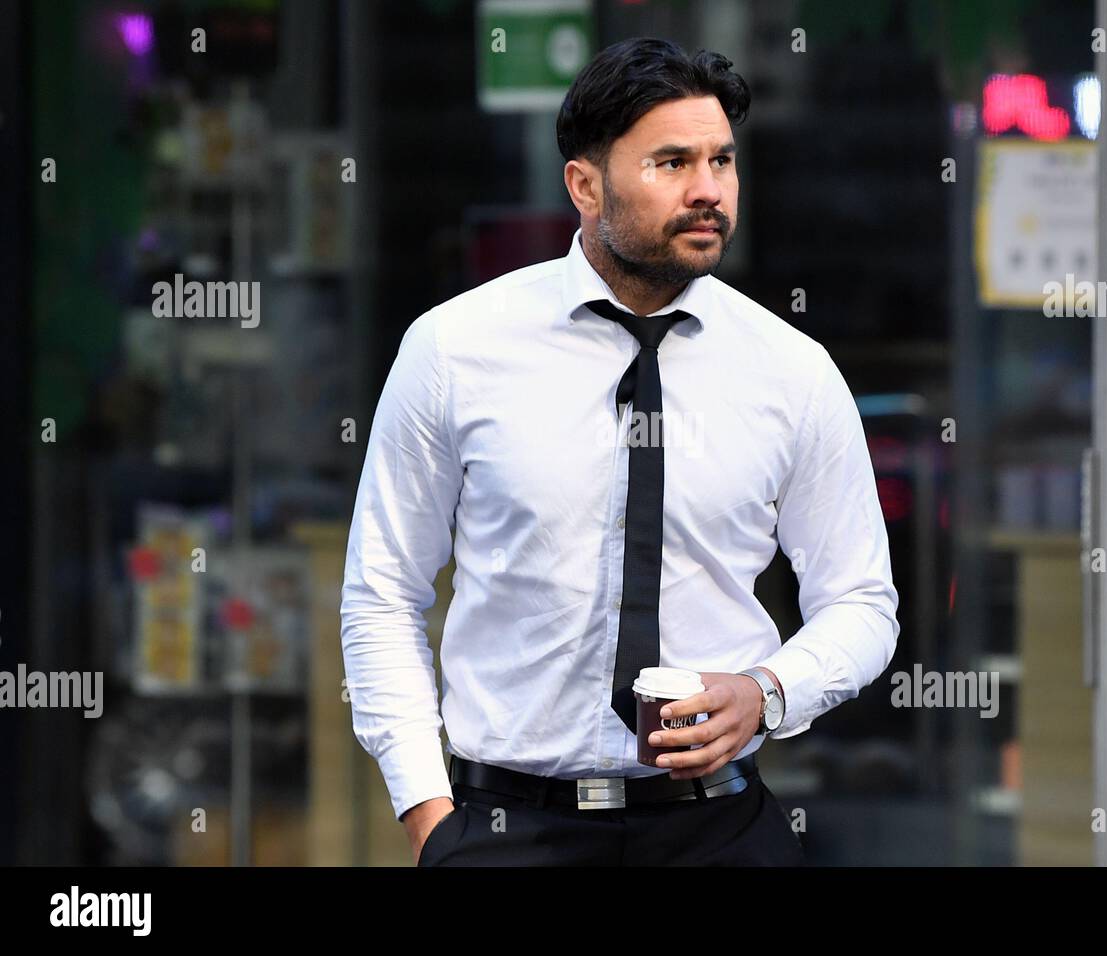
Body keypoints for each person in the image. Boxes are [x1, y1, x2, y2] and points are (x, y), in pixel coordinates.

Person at [340, 36, 900, 867]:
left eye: (721, 160)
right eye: (671, 163)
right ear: (585, 184)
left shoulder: (790, 371)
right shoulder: (456, 350)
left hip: (721, 828)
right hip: (507, 827)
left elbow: (861, 600)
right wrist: (430, 814)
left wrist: (768, 694)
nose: (709, 190)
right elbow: (382, 595)